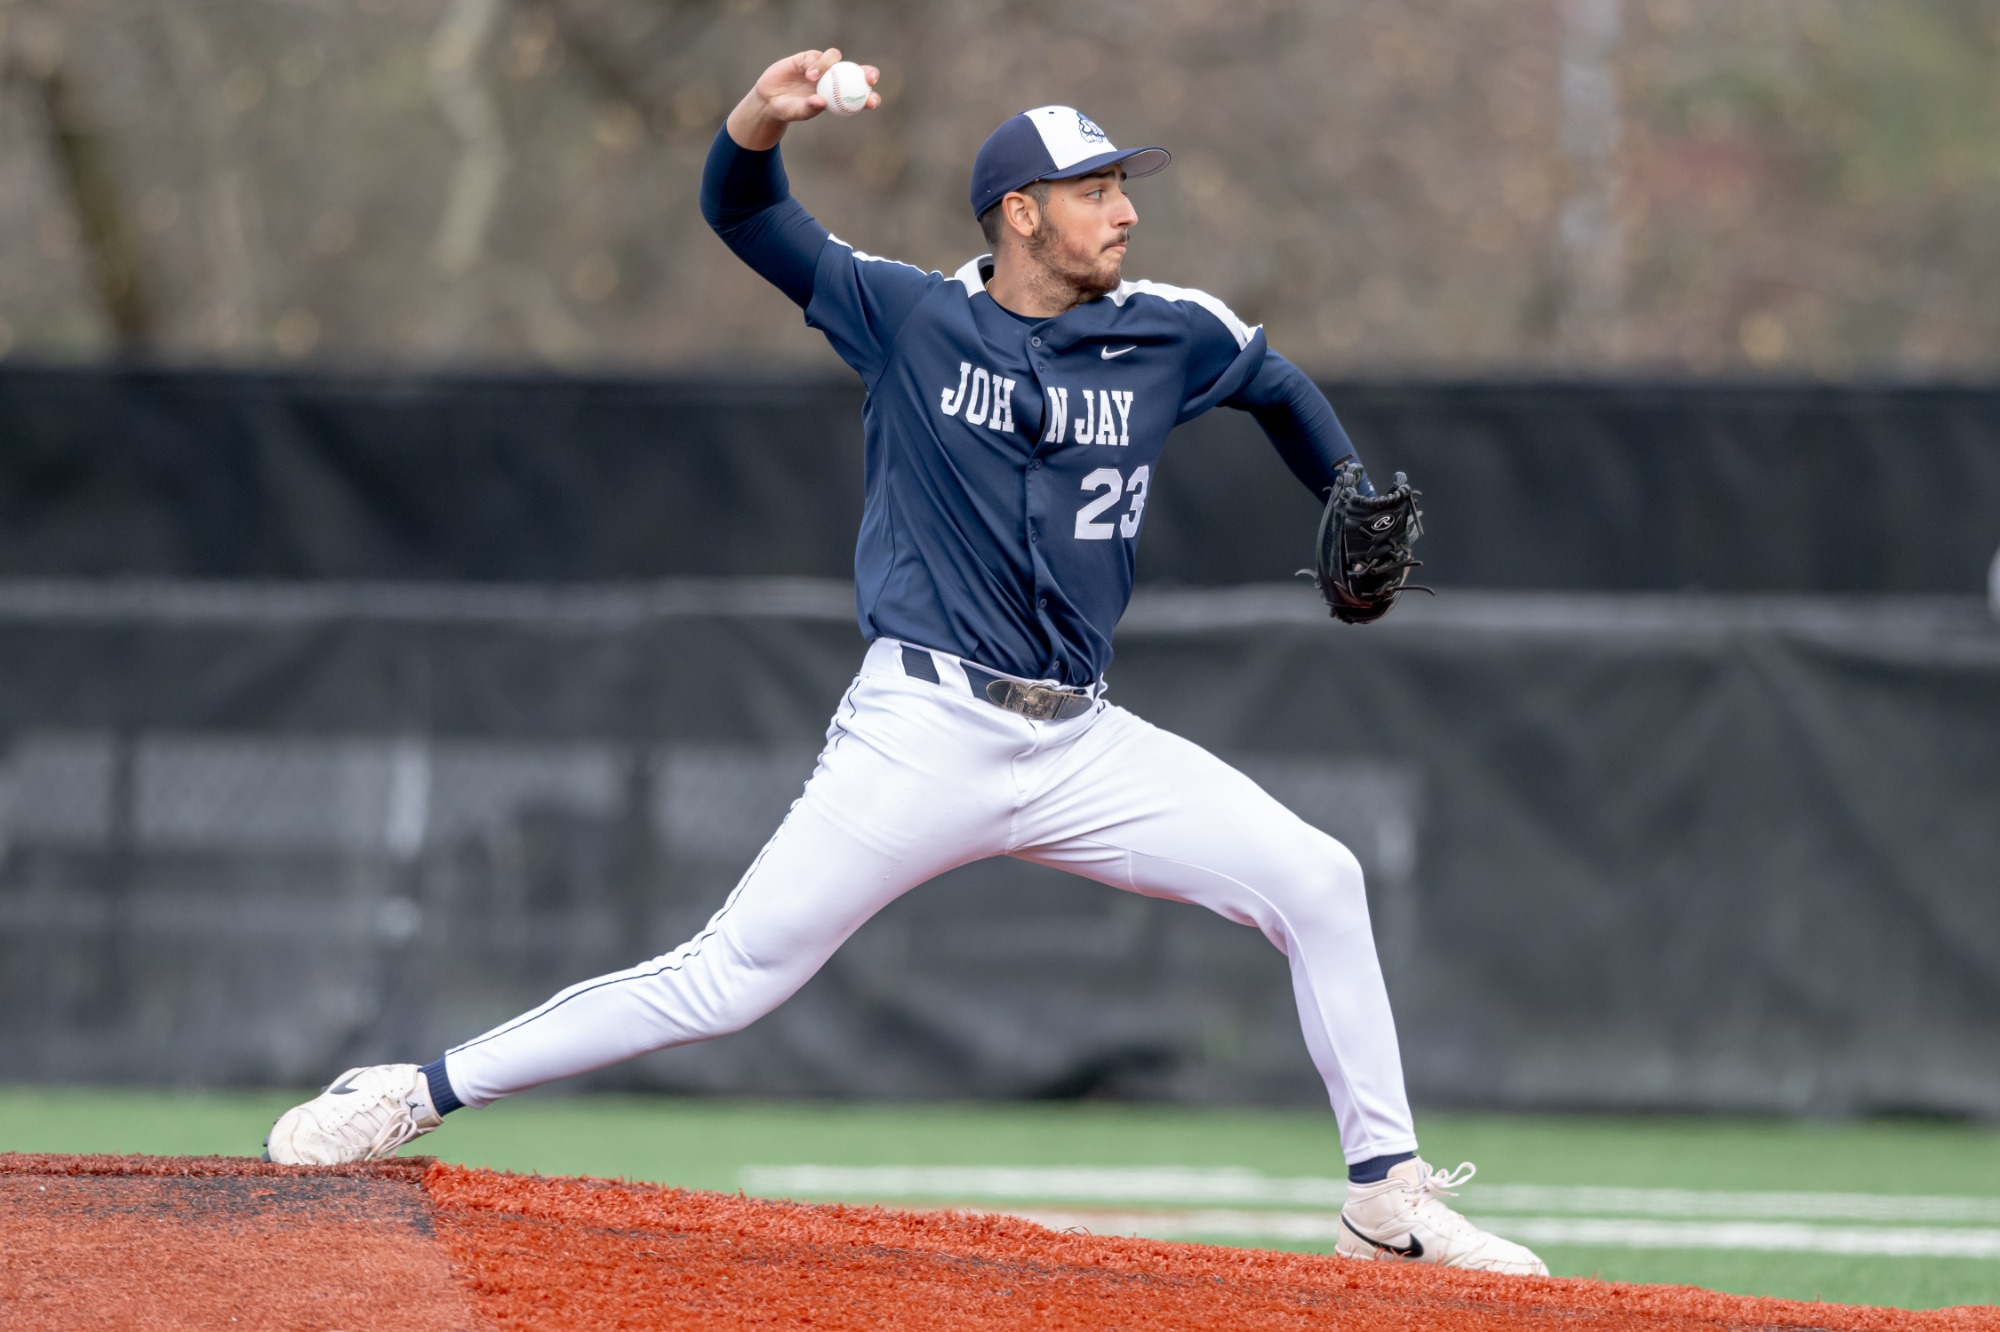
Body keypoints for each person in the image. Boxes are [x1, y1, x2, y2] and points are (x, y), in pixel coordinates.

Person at [265, 48, 1546, 1277]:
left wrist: (1347, 487)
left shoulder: (1165, 333)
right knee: (725, 980)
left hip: (1082, 739)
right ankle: (407, 1092)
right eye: (1094, 191)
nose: (1122, 214)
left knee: (1317, 880)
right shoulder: (908, 316)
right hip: (922, 728)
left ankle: (1384, 1202)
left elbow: (1273, 381)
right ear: (1019, 214)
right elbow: (744, 214)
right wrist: (760, 121)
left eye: (1121, 188)